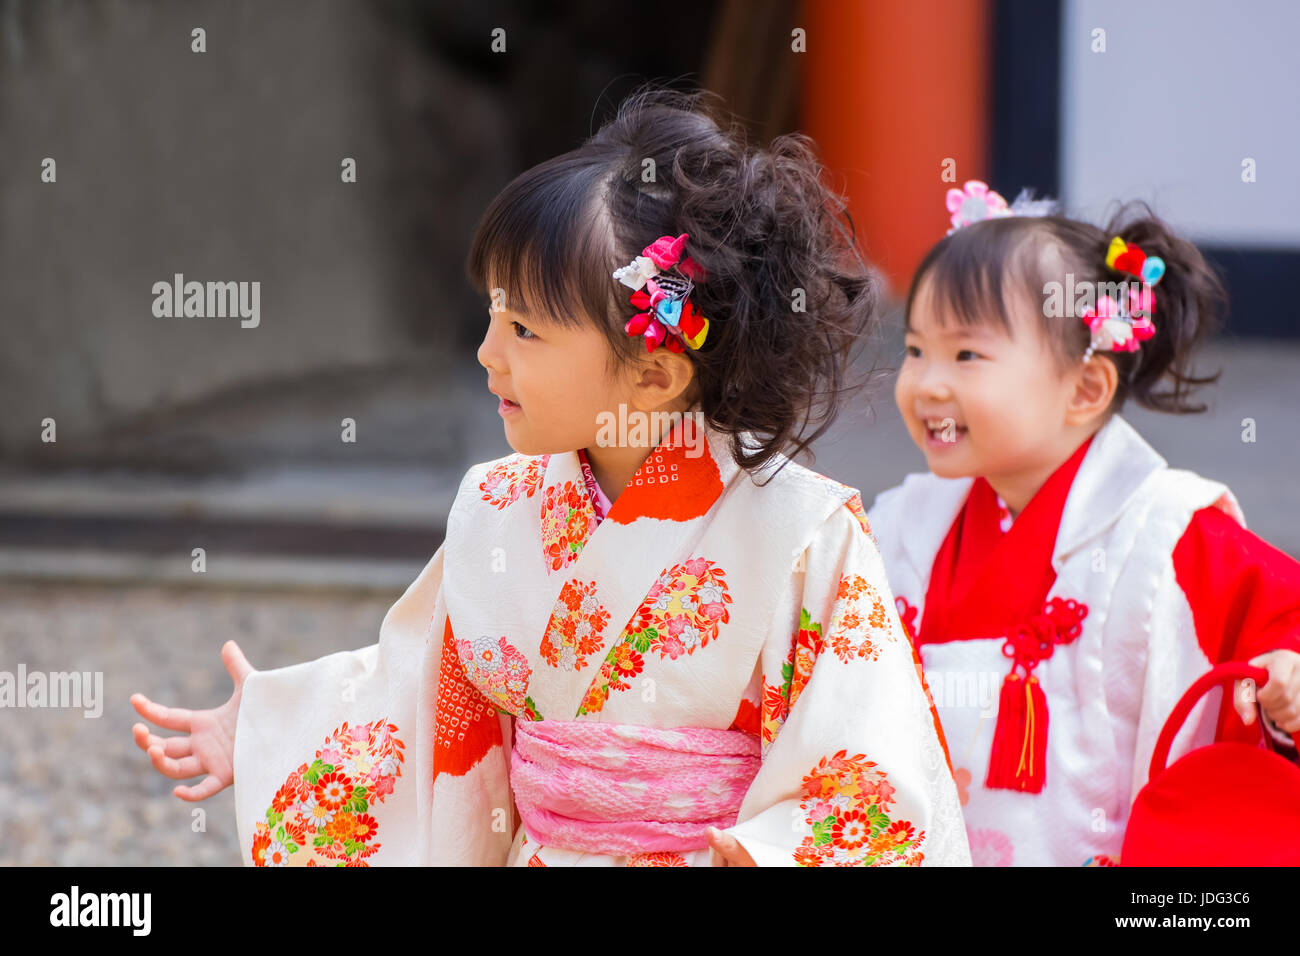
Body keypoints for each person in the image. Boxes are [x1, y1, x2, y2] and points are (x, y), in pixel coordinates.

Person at [130, 88, 970, 867]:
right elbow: (419, 699)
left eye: (525, 329)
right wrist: (272, 730)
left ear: (653, 371)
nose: (489, 352)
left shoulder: (802, 535)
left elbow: (868, 769)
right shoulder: (499, 509)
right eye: (492, 313)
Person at [868, 180, 1300, 866]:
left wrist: (1288, 674)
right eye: (917, 350)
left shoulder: (1165, 532)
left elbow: (1283, 619)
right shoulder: (897, 528)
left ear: (1085, 387)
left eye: (966, 355)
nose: (927, 384)